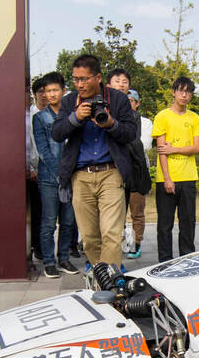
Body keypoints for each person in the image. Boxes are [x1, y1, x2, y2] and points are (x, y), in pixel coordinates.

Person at [50, 54, 139, 273]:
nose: (79, 84)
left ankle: (107, 283)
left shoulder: (117, 99)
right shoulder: (71, 101)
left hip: (111, 173)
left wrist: (111, 123)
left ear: (98, 77)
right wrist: (75, 118)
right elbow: (57, 133)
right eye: (75, 79)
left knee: (111, 233)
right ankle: (103, 275)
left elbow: (130, 134)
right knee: (89, 238)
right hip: (80, 175)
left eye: (84, 79)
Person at [33, 72, 80, 277]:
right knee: (49, 222)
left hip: (73, 178)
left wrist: (70, 173)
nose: (51, 94)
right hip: (49, 179)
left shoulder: (73, 115)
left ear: (63, 91)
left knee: (69, 222)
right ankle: (49, 262)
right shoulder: (40, 118)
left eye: (55, 90)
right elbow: (43, 151)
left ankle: (64, 259)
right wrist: (61, 173)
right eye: (47, 91)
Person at [152, 75, 199, 262]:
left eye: (188, 92)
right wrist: (167, 178)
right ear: (173, 92)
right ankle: (165, 262)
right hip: (166, 178)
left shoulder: (194, 118)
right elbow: (161, 151)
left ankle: (187, 259)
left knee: (188, 223)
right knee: (165, 225)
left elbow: (196, 148)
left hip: (188, 177)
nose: (184, 95)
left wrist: (175, 148)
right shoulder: (162, 116)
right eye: (181, 91)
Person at [109, 70, 152, 259]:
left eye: (131, 101)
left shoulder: (145, 122)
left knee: (137, 212)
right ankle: (117, 243)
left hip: (137, 172)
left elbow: (144, 145)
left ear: (137, 103)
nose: (128, 104)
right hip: (116, 172)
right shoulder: (113, 118)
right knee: (116, 214)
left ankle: (136, 243)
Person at [27, 77, 48, 265]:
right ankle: (37, 248)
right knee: (37, 214)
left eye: (47, 91)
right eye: (40, 91)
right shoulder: (29, 117)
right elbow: (27, 146)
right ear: (34, 95)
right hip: (34, 173)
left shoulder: (56, 115)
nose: (44, 95)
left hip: (52, 172)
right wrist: (32, 168)